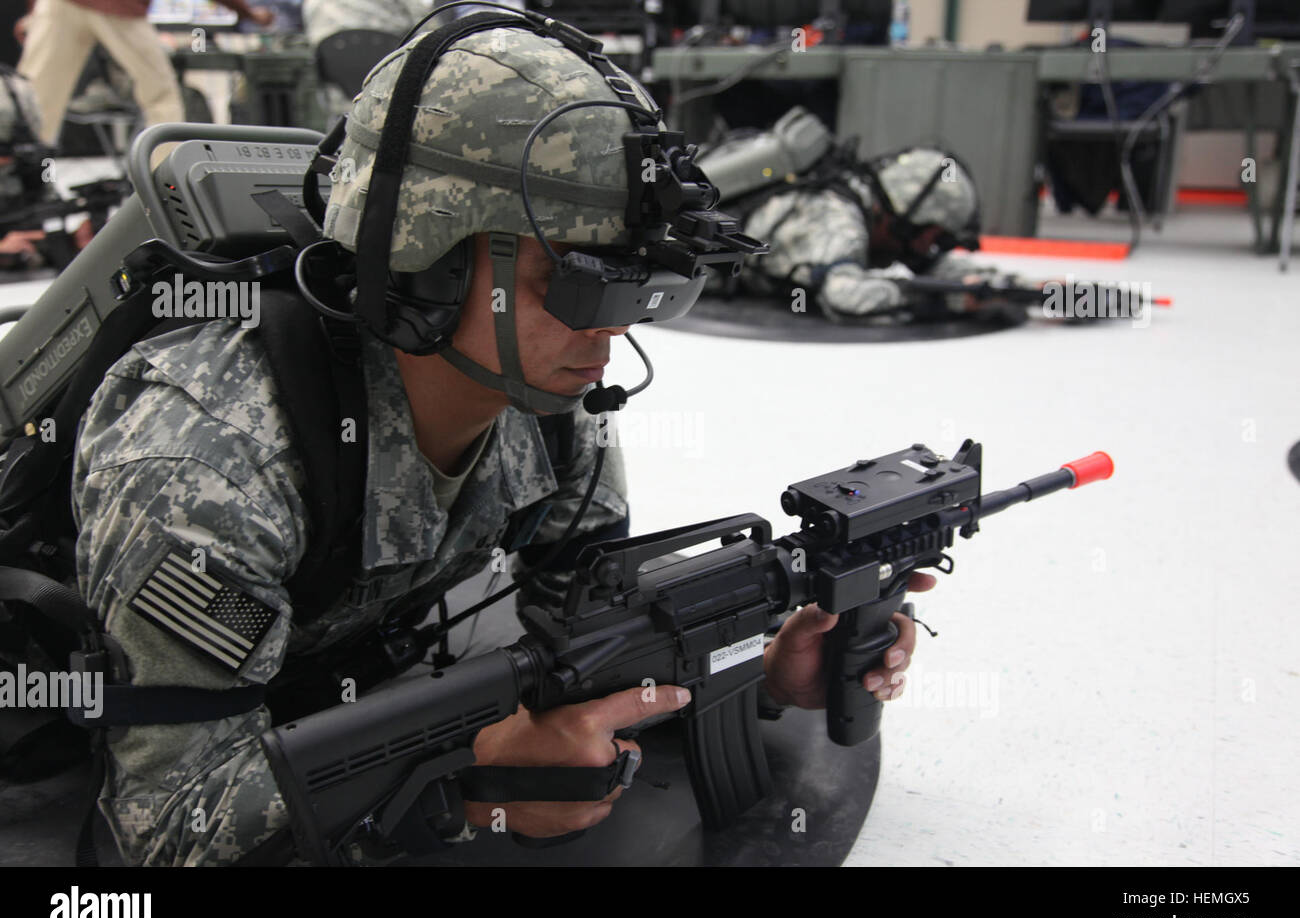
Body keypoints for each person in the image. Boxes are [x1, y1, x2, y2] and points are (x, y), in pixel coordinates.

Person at [71, 17, 929, 866]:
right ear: (432, 260)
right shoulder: (209, 463)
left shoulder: (551, 407)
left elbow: (593, 633)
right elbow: (174, 826)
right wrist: (461, 797)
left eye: (641, 286)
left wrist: (756, 666)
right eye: (578, 278)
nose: (611, 328)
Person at [707, 128, 1006, 322]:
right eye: (934, 237)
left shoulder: (866, 208)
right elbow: (844, 295)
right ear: (907, 221)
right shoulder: (838, 220)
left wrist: (1008, 287)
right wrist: (945, 299)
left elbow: (931, 267)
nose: (929, 248)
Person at [14, 0, 274, 146]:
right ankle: (165, 175)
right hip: (116, 8)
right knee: (161, 98)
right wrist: (248, 13)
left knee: (31, 99)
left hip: (64, 7)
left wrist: (34, 14)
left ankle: (20, 174)